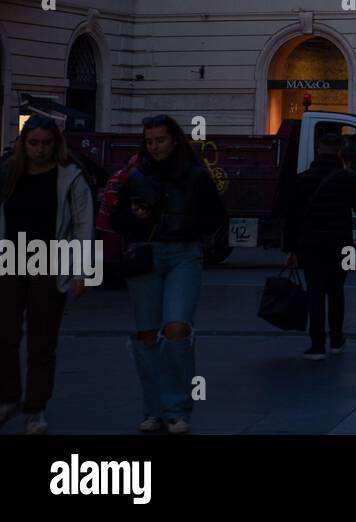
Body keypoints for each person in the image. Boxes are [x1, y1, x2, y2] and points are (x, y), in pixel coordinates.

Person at [113, 114, 226, 434]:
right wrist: (135, 217)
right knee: (148, 334)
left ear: (174, 139)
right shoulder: (136, 176)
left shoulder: (195, 176)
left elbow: (217, 216)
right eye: (149, 141)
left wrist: (196, 231)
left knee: (176, 327)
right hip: (146, 255)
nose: (155, 146)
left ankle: (176, 408)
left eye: (160, 140)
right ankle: (153, 408)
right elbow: (119, 219)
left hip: (184, 254)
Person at [0, 116, 94, 434]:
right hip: (9, 263)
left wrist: (82, 272)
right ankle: (10, 397)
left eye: (46, 143)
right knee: (5, 336)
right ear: (23, 144)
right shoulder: (7, 174)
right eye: (34, 143)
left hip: (50, 265)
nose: (40, 150)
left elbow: (83, 225)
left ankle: (35, 409)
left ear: (56, 144)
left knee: (43, 342)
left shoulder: (70, 177)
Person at [283, 132, 356, 360]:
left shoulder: (303, 179)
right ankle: (336, 338)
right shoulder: (349, 178)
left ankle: (317, 344)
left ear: (318, 150)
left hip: (310, 243)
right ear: (340, 151)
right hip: (342, 243)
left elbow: (292, 217)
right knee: (337, 290)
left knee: (315, 292)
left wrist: (291, 249)